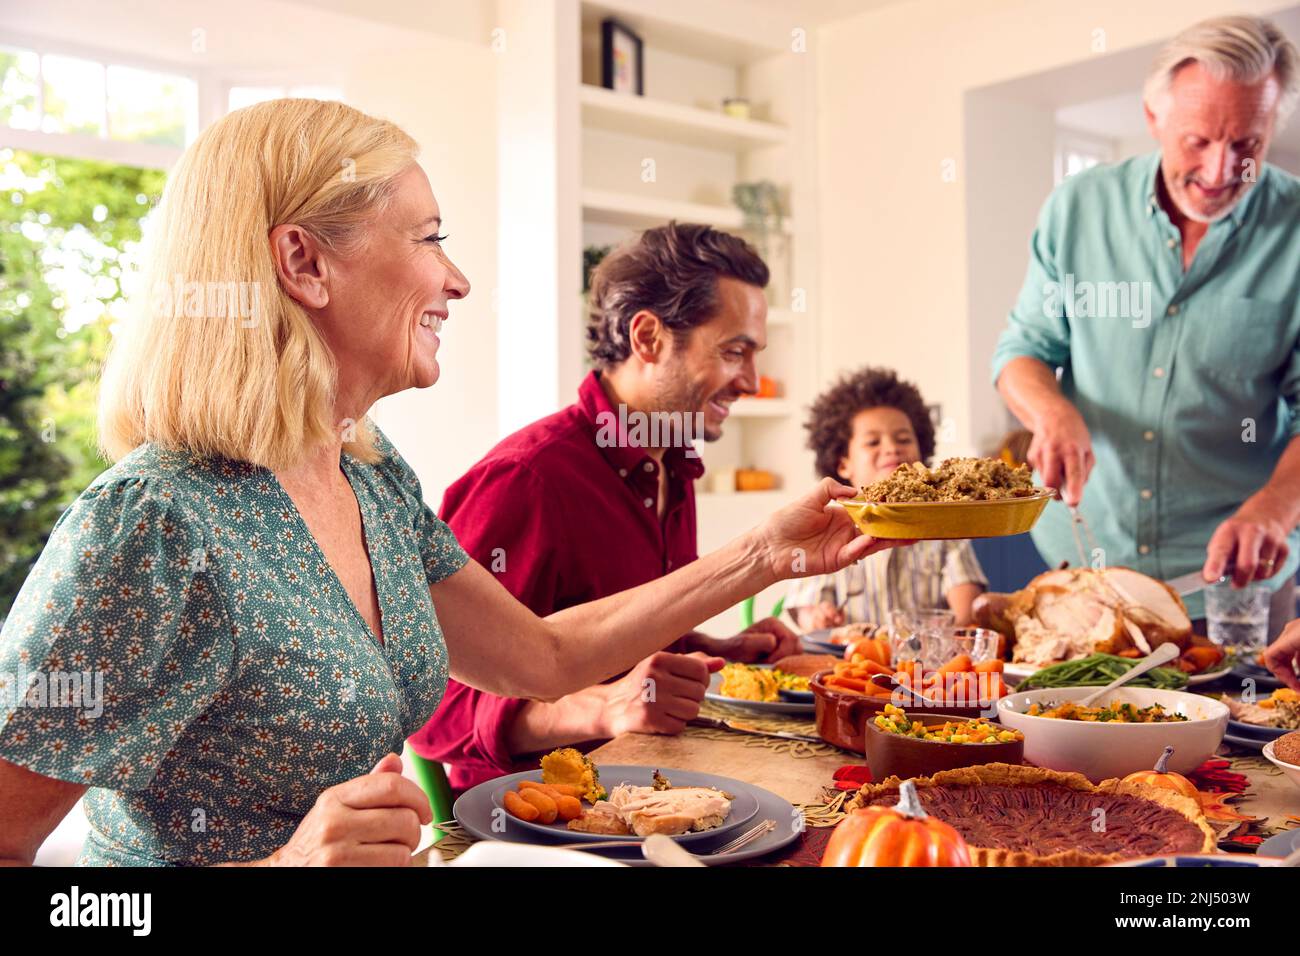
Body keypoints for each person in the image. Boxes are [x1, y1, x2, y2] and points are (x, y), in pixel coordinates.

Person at [0, 99, 901, 867]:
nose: (458, 280)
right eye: (431, 239)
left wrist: (767, 552)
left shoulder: (370, 471)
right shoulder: (152, 527)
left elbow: (542, 658)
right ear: (303, 263)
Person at [408, 224, 800, 792]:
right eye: (734, 351)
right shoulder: (526, 480)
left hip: (655, 790)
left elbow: (622, 645)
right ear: (648, 337)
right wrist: (600, 709)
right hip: (533, 825)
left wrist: (718, 654)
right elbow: (429, 711)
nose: (751, 382)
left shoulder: (673, 464)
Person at [992, 15, 1300, 636]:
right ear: (1153, 117)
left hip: (1232, 586)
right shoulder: (1078, 209)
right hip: (1080, 573)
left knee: (1249, 733)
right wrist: (1051, 413)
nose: (1220, 172)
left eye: (1248, 145)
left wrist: (1275, 507)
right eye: (1199, 141)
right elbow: (1022, 351)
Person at [785, 367, 987, 631]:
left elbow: (966, 605)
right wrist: (816, 616)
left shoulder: (945, 524)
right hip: (851, 663)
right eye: (872, 442)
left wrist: (953, 630)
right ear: (843, 463)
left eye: (903, 439)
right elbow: (807, 607)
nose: (892, 448)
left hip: (923, 663)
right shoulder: (828, 526)